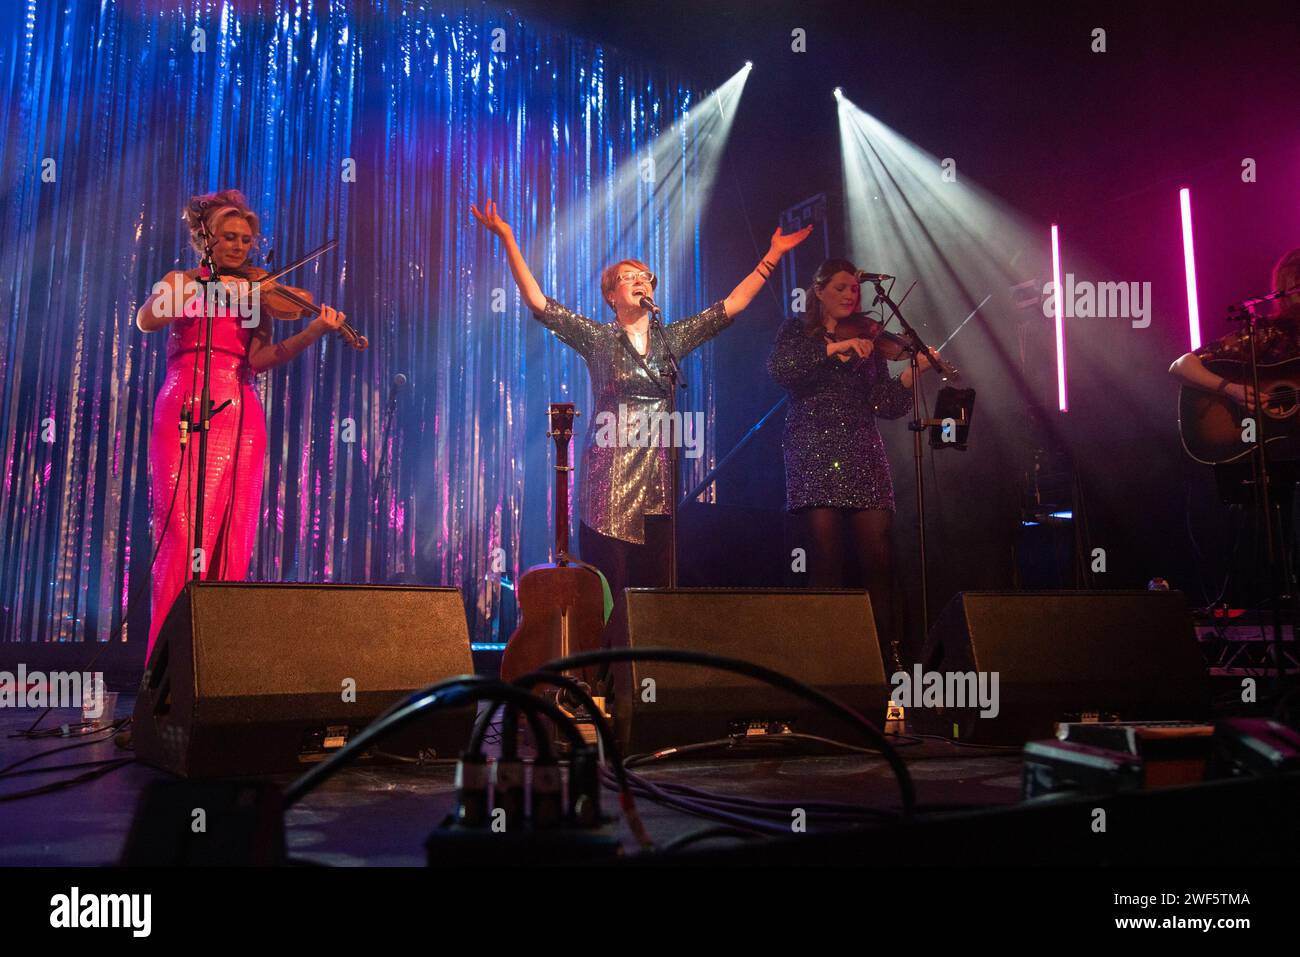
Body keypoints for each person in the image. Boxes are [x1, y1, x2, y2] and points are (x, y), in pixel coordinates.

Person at [470, 198, 811, 686]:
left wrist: (773, 255)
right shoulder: (599, 340)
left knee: (650, 593)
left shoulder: (671, 339)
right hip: (609, 477)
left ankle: (646, 689)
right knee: (611, 590)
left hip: (657, 480)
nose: (639, 280)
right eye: (628, 276)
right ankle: (599, 687)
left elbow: (729, 307)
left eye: (645, 276)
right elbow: (539, 303)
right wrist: (506, 237)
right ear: (611, 295)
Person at [135, 189, 346, 659]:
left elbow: (260, 358)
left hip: (243, 410)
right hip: (185, 405)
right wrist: (199, 286)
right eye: (229, 237)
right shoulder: (181, 281)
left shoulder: (257, 290)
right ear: (205, 237)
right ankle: (163, 676)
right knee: (183, 535)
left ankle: (216, 667)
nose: (239, 247)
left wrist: (312, 331)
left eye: (246, 240)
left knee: (235, 534)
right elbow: (147, 319)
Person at [766, 258, 939, 671]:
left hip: (862, 446)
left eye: (854, 291)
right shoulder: (796, 331)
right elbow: (782, 371)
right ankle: (824, 659)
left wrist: (912, 376)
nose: (850, 296)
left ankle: (885, 658)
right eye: (841, 288)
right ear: (820, 290)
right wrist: (833, 349)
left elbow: (884, 403)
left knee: (878, 556)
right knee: (825, 557)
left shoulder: (869, 336)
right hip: (812, 448)